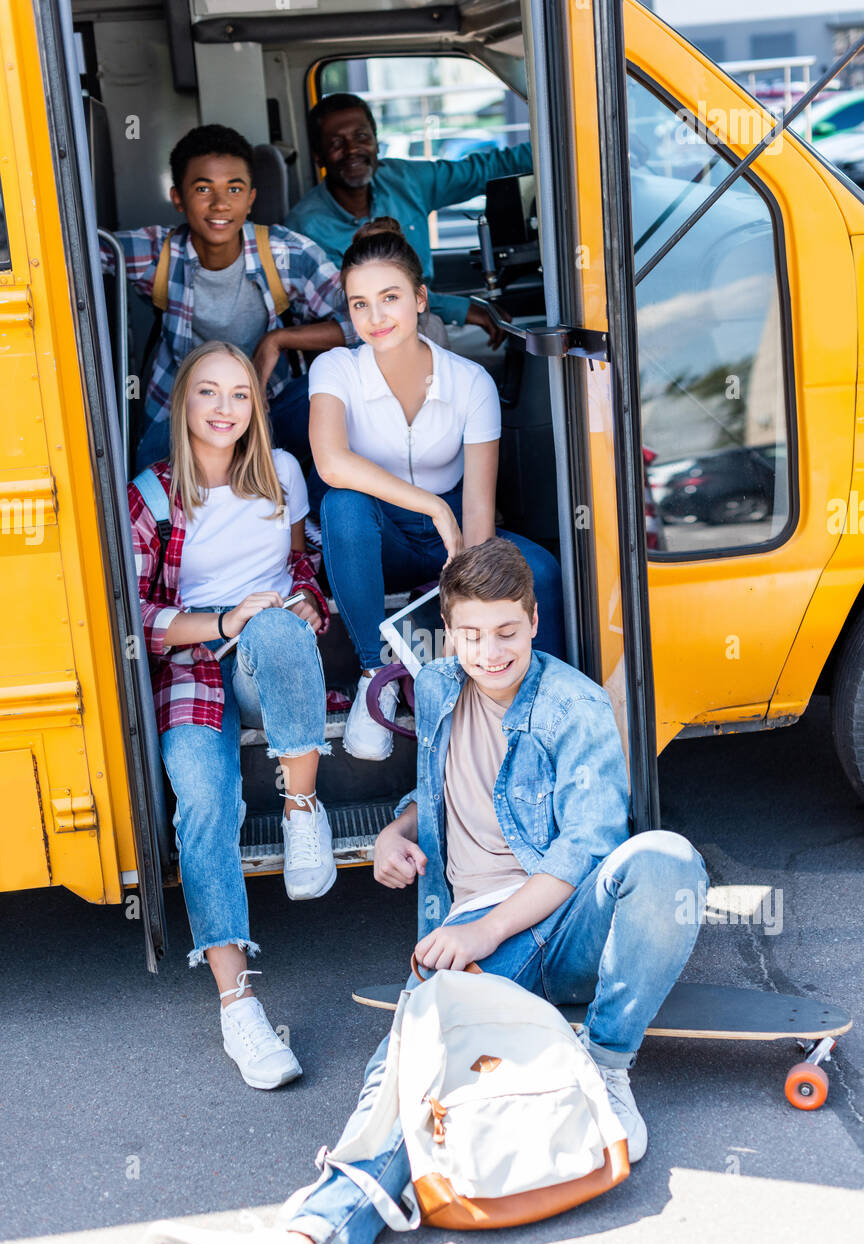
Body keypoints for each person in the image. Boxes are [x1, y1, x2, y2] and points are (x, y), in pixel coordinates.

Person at [144, 537, 709, 1244]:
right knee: (410, 1067)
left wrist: (484, 932)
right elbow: (445, 791)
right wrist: (395, 832)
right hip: (474, 924)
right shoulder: (440, 685)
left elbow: (585, 848)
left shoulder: (572, 703)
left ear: (533, 620)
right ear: (450, 630)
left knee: (666, 858)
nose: (489, 651)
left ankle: (606, 1067)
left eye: (506, 631)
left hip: (561, 919)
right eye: (471, 633)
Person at [128, 340, 336, 1090]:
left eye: (240, 394)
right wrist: (221, 621)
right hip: (191, 665)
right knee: (204, 806)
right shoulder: (150, 498)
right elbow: (140, 618)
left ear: (256, 407)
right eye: (208, 393)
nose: (224, 409)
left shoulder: (280, 478)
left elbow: (302, 565)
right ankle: (238, 1004)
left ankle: (301, 807)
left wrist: (302, 603)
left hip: (267, 654)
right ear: (183, 403)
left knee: (277, 626)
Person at [310, 216, 566, 762]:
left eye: (390, 297)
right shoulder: (335, 369)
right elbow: (332, 463)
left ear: (421, 299)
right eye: (359, 304)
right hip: (379, 539)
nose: (375, 317)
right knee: (342, 505)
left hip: (453, 532)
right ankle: (373, 672)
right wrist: (429, 507)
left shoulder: (470, 382)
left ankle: (537, 716)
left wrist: (464, 607)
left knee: (540, 571)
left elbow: (476, 517)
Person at [101, 123, 356, 471]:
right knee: (149, 470)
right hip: (183, 415)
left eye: (234, 189)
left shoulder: (284, 253)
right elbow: (68, 249)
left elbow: (365, 321)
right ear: (178, 198)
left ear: (251, 198)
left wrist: (277, 340)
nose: (220, 204)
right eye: (203, 188)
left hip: (269, 405)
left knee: (332, 389)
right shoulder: (159, 253)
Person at [286, 92, 534, 347]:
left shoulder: (405, 180)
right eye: (337, 143)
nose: (352, 150)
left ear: (376, 143)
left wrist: (557, 146)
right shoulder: (303, 227)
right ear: (319, 156)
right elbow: (367, 301)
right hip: (354, 338)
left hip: (418, 311)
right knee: (428, 327)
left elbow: (483, 170)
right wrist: (461, 309)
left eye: (362, 137)